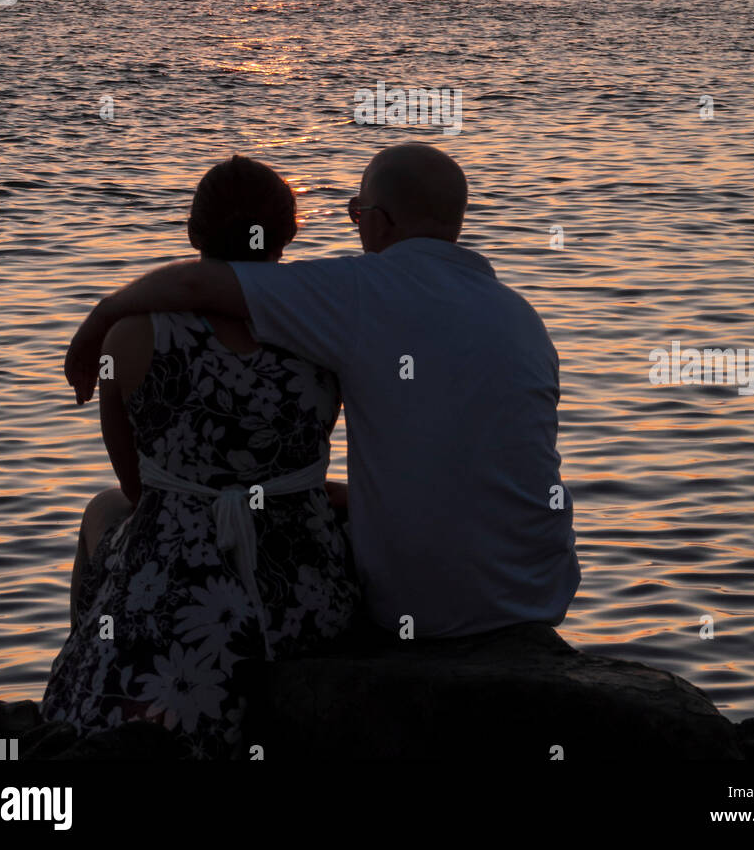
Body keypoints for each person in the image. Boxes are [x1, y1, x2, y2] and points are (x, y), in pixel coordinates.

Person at [65, 142, 580, 641]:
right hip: (535, 594)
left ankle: (87, 659)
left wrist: (99, 319)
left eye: (357, 214)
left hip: (420, 606)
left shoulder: (357, 290)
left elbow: (201, 285)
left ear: (379, 219)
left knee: (106, 510)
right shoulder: (521, 317)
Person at [43, 157, 359, 758]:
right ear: (288, 235)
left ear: (193, 234)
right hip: (304, 585)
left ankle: (94, 655)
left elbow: (140, 491)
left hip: (180, 582)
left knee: (103, 510)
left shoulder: (132, 336)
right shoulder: (321, 330)